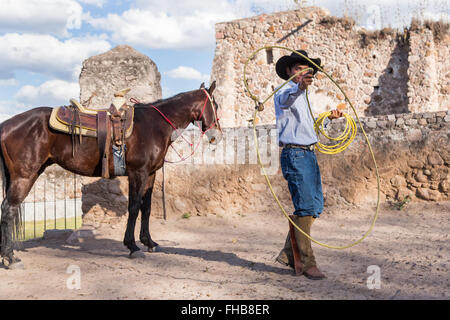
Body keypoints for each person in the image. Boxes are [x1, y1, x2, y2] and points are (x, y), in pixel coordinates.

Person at [274, 50, 343, 280]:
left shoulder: (303, 97)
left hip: (308, 154)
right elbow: (288, 98)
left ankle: (288, 253)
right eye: (297, 69)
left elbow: (305, 123)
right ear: (288, 71)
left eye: (306, 69)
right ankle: (306, 261)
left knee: (314, 206)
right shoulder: (285, 92)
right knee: (305, 207)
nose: (303, 72)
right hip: (294, 154)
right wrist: (300, 87)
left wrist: (327, 117)